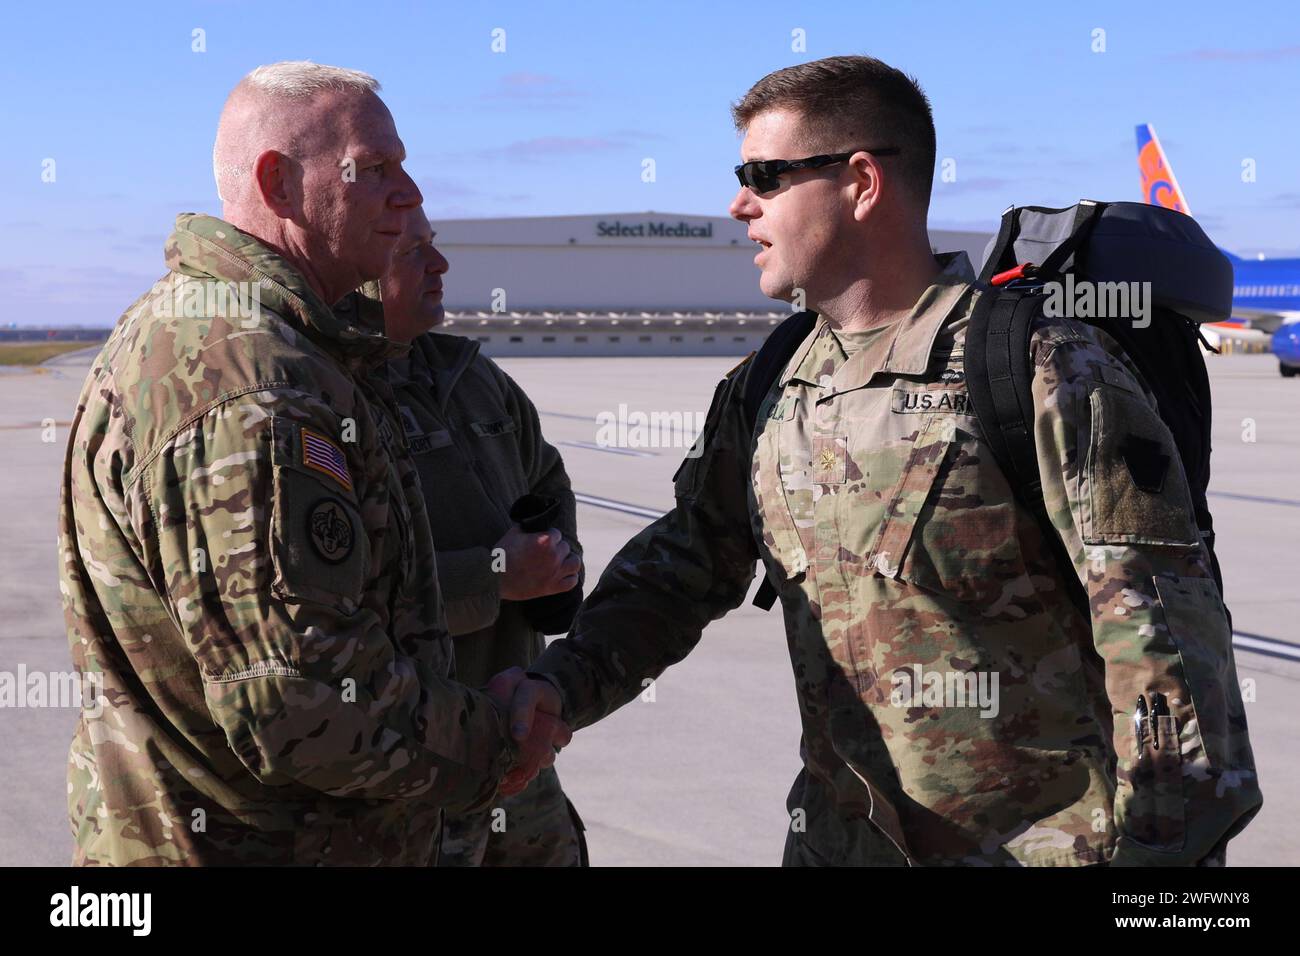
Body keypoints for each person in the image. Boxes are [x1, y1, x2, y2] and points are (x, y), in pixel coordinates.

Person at [501, 55, 1262, 866]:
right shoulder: (770, 384)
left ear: (862, 182)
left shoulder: (1041, 370)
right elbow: (685, 565)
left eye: (765, 174)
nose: (739, 203)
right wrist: (560, 688)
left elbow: (1166, 643)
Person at [58, 61, 566, 866]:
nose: (410, 194)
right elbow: (303, 700)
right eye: (378, 168)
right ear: (280, 183)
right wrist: (494, 745)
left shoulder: (261, 343)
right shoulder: (253, 382)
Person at [370, 208, 588, 866]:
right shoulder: (324, 396)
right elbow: (334, 598)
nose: (440, 266)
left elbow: (547, 482)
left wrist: (554, 579)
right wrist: (492, 577)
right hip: (406, 775)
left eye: (434, 247)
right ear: (355, 266)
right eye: (414, 252)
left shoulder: (474, 378)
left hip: (517, 756)